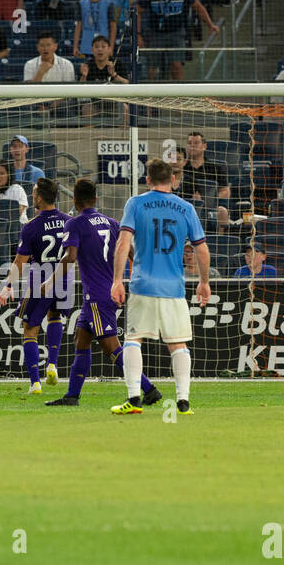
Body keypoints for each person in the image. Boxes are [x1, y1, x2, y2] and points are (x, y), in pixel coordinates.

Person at [46, 178, 162, 407]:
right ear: (95, 199)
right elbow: (130, 252)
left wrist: (50, 281)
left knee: (112, 347)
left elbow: (70, 257)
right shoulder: (112, 222)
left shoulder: (74, 224)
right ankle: (72, 396)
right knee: (81, 338)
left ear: (75, 200)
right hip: (103, 293)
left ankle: (149, 389)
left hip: (98, 295)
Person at [109, 157, 206, 415]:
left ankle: (134, 399)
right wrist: (204, 282)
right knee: (178, 344)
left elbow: (123, 244)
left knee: (133, 339)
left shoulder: (136, 203)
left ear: (148, 180)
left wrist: (118, 280)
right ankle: (183, 402)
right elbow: (202, 247)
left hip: (143, 285)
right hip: (174, 287)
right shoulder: (186, 207)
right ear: (173, 180)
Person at [0, 178, 72, 394]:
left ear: (39, 197)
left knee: (30, 330)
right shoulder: (69, 221)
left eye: (34, 192)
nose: (32, 196)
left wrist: (8, 284)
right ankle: (52, 365)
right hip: (63, 278)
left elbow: (20, 261)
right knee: (55, 317)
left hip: (40, 280)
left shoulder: (31, 226)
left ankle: (35, 383)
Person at [137, 0, 219, 81]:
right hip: (155, 33)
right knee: (152, 66)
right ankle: (151, 94)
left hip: (176, 33)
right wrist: (138, 35)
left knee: (176, 65)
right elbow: (137, 12)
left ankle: (179, 93)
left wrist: (210, 25)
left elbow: (198, 7)